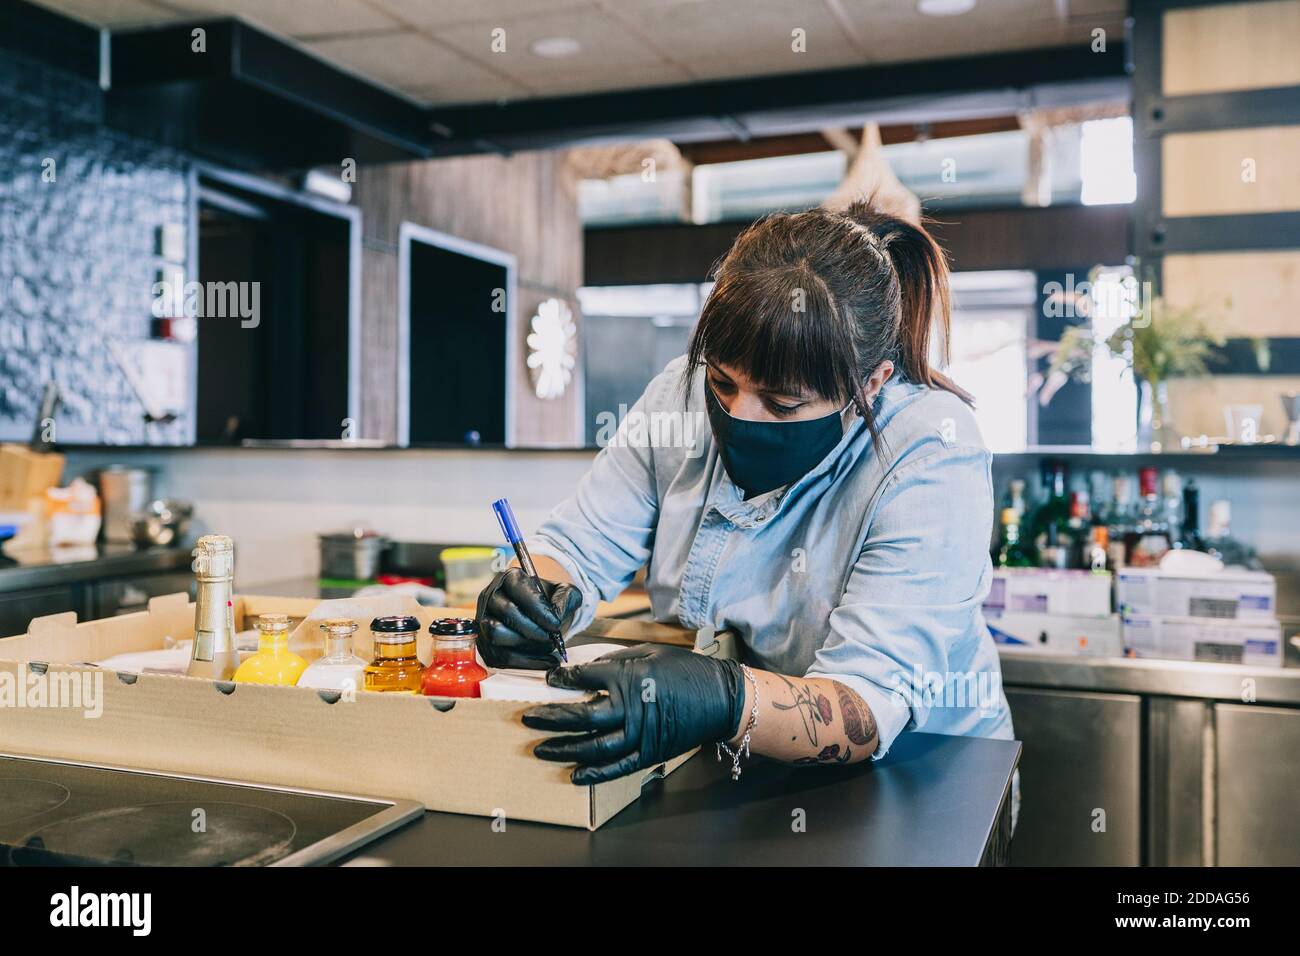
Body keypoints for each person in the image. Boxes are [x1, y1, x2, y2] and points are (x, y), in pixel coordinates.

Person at [475, 199, 1014, 788]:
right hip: (753, 768)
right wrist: (539, 596)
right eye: (722, 382)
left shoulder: (932, 451)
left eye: (782, 403)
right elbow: (580, 547)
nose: (737, 414)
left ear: (872, 381)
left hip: (928, 778)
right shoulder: (676, 400)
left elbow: (866, 706)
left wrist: (723, 699)